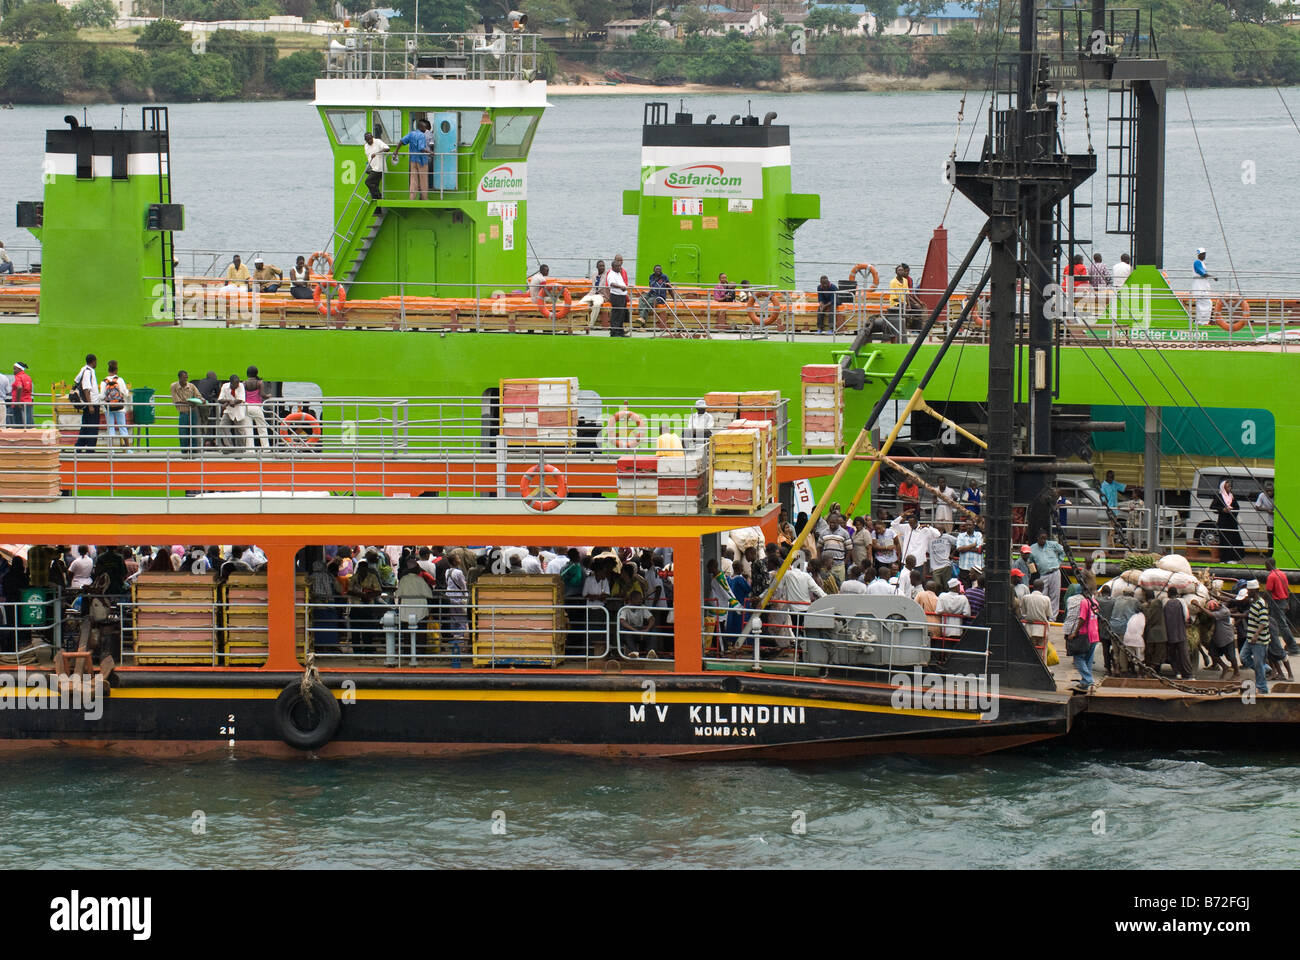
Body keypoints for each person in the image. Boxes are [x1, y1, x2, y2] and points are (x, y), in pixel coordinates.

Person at [1064, 590, 1101, 691]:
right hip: (1094, 634)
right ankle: (1085, 683)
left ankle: (1089, 680)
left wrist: (1075, 632)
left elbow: (1082, 618)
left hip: (1085, 634)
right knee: (1088, 660)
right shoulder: (1095, 602)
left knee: (1078, 658)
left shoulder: (1084, 602)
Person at [1241, 580, 1271, 694]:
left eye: (1249, 590)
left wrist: (1256, 635)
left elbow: (1264, 622)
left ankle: (1262, 687)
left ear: (1255, 591)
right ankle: (1265, 668)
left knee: (1258, 665)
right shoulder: (1253, 602)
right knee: (1243, 657)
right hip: (1250, 638)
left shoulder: (1261, 604)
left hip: (1258, 640)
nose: (1247, 592)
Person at [1263, 556, 1299, 654]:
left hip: (1275, 603)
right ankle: (1286, 646)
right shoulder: (1282, 574)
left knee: (1279, 626)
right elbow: (1287, 589)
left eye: (1266, 565)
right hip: (1283, 601)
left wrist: (1262, 602)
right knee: (1281, 625)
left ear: (1269, 565)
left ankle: (1292, 647)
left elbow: (1268, 591)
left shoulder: (1271, 576)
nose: (1265, 567)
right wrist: (1287, 602)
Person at [1029, 531, 1066, 618]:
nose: (1043, 540)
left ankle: (1052, 618)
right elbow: (1029, 561)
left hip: (1055, 572)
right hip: (1043, 574)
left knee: (1055, 596)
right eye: (1042, 538)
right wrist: (1034, 571)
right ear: (1037, 538)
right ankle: (1042, 616)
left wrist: (1059, 562)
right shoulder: (1032, 548)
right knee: (1042, 595)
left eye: (1045, 538)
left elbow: (1062, 551)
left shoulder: (1052, 544)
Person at [169, 370, 202, 455]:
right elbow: (176, 400)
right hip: (183, 412)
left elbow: (198, 395)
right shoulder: (174, 386)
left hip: (193, 412)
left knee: (194, 432)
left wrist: (201, 400)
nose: (186, 380)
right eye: (184, 378)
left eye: (187, 377)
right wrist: (188, 403)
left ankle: (194, 453)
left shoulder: (191, 386)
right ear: (179, 378)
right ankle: (184, 452)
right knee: (183, 433)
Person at [1163, 589, 1194, 679]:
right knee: (1184, 654)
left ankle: (1177, 672)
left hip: (1169, 632)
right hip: (1180, 632)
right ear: (1176, 594)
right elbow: (1186, 616)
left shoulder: (1165, 603)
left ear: (1168, 594)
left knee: (1173, 654)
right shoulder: (1182, 602)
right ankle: (1188, 674)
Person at [98, 360, 129, 449]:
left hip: (108, 408)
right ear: (116, 370)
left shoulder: (104, 382)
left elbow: (103, 396)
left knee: (110, 427)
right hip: (120, 407)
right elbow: (125, 393)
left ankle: (111, 450)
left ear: (108, 370)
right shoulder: (120, 380)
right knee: (122, 427)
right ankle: (128, 449)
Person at [1205, 598, 1238, 679]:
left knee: (1231, 657)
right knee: (1212, 653)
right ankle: (1225, 667)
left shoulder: (1224, 611)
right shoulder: (1220, 606)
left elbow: (1211, 615)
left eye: (1213, 610)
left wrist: (1198, 606)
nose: (1213, 611)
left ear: (1217, 607)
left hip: (1226, 637)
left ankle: (1236, 672)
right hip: (1217, 637)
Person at [397, 118, 430, 199]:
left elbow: (402, 141)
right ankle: (424, 197)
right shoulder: (422, 135)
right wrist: (430, 152)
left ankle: (412, 197)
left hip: (413, 160)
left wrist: (396, 151)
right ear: (421, 127)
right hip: (422, 160)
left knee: (413, 179)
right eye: (425, 128)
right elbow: (421, 148)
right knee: (423, 179)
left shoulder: (411, 134)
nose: (425, 130)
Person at [1211, 479, 1243, 563]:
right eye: (1228, 486)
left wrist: (1232, 510)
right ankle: (1224, 559)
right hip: (1223, 521)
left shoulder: (1232, 496)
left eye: (1230, 486)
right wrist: (1223, 509)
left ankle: (1232, 558)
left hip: (1232, 521)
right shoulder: (1219, 496)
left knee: (1234, 540)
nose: (1230, 488)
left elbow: (1237, 507)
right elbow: (1213, 507)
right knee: (1224, 540)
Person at [72, 353, 99, 450]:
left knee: (85, 425)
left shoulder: (84, 369)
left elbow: (76, 381)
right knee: (92, 427)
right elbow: (86, 389)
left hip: (88, 403)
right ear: (93, 361)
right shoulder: (88, 372)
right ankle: (90, 448)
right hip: (91, 404)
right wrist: (90, 405)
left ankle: (79, 446)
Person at [217, 374, 250, 449]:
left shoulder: (241, 386)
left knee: (240, 431)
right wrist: (229, 401)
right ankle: (229, 447)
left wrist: (231, 402)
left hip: (238, 411)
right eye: (235, 384)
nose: (237, 385)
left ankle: (241, 449)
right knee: (223, 426)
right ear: (231, 383)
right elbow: (220, 399)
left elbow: (241, 399)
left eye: (238, 383)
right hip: (229, 411)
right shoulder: (225, 386)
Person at [1141, 587, 1167, 674]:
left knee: (1149, 654)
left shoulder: (1145, 606)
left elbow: (1146, 618)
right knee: (1158, 655)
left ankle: (1150, 670)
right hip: (1161, 635)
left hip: (1150, 634)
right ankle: (1156, 670)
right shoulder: (1159, 603)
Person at [936, 578, 970, 643]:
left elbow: (938, 611)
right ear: (956, 587)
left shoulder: (942, 596)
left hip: (945, 629)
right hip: (957, 630)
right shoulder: (963, 598)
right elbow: (967, 613)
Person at [243, 365, 269, 450]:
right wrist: (268, 396)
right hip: (257, 407)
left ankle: (250, 450)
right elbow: (262, 395)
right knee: (262, 428)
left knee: (248, 429)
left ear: (247, 374)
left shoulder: (244, 383)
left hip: (246, 407)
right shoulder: (259, 383)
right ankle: (266, 448)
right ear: (256, 373)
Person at [574, 260, 607, 325]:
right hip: (592, 294)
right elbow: (593, 287)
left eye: (603, 266)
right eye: (600, 266)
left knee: (597, 304)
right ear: (597, 267)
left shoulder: (607, 275)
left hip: (601, 295)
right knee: (580, 304)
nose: (602, 267)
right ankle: (578, 322)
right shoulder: (594, 274)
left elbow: (602, 286)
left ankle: (590, 324)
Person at [1020, 580, 1052, 644]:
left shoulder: (1025, 598)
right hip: (1042, 629)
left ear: (1033, 587)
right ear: (1043, 588)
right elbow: (1048, 615)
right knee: (1041, 650)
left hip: (1029, 629)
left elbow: (1023, 612)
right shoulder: (1046, 599)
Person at [605, 255, 629, 337]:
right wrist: (621, 287)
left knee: (621, 315)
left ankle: (620, 332)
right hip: (616, 296)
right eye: (617, 266)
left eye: (620, 266)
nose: (619, 267)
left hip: (622, 296)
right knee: (616, 314)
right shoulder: (611, 274)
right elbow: (611, 284)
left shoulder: (618, 273)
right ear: (613, 267)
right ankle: (614, 332)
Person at [1191, 247, 1217, 325]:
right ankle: (1201, 322)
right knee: (1206, 303)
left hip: (1202, 287)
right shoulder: (1197, 262)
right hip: (1200, 288)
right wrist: (1213, 277)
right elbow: (1202, 273)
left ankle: (1201, 321)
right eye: (1202, 254)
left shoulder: (1201, 263)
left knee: (1204, 304)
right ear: (1198, 255)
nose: (1204, 255)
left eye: (1204, 254)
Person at [363, 131, 390, 200]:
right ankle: (376, 200)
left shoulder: (378, 141)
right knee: (374, 184)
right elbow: (368, 156)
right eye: (367, 140)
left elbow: (387, 149)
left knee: (368, 182)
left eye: (370, 139)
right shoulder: (366, 146)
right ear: (365, 140)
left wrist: (377, 153)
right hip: (373, 168)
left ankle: (378, 196)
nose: (369, 141)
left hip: (379, 168)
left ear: (372, 137)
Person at [9, 361, 32, 427]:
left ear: (20, 369)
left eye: (14, 369)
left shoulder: (18, 377)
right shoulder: (28, 377)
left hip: (18, 402)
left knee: (18, 423)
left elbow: (19, 387)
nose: (13, 371)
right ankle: (30, 435)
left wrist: (18, 402)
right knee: (28, 422)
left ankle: (20, 436)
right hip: (28, 401)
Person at [1256, 479, 1275, 553]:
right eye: (1267, 491)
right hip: (1270, 522)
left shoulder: (1278, 495)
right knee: (1270, 540)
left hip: (1280, 522)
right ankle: (1269, 555)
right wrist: (1267, 509)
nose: (1269, 493)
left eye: (1271, 491)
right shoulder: (1262, 495)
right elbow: (1257, 507)